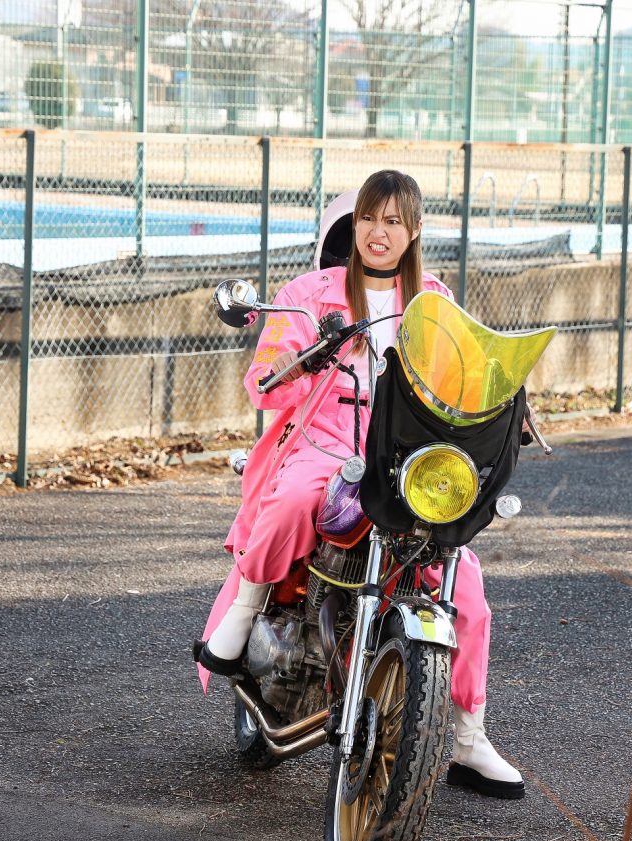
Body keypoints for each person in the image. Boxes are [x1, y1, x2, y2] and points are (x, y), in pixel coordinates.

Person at [196, 169, 524, 800]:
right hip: (325, 443)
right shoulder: (308, 294)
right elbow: (263, 384)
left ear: (414, 231)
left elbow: (465, 377)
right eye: (369, 219)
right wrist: (300, 361)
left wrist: (506, 404)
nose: (378, 232)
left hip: (404, 457)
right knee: (294, 499)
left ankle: (468, 732)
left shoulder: (434, 301)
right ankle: (242, 613)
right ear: (353, 227)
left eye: (393, 221)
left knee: (465, 582)